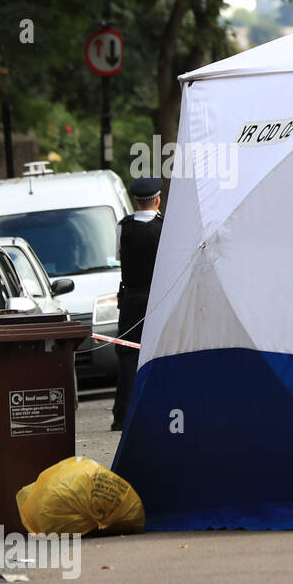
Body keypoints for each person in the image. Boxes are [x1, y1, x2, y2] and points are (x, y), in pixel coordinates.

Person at [111, 177, 164, 431]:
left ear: (135, 200)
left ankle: (122, 415)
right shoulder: (165, 227)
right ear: (158, 200)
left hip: (131, 298)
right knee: (163, 351)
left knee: (128, 356)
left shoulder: (124, 227)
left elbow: (119, 257)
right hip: (159, 297)